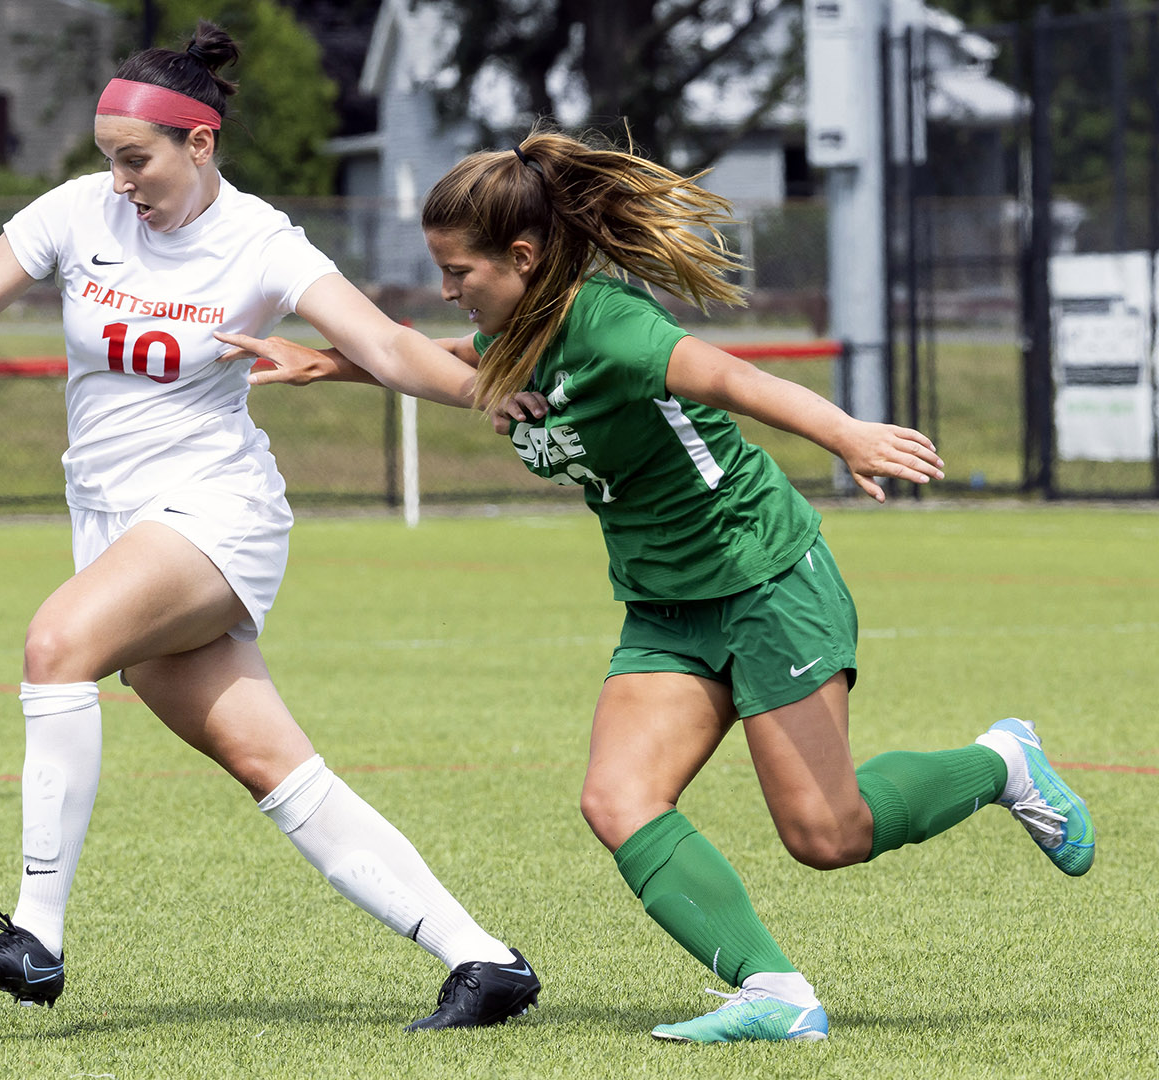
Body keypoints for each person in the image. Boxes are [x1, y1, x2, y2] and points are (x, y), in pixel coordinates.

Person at [220, 133, 1097, 1043]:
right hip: (663, 607)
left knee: (828, 836)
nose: (448, 289)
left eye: (458, 269)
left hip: (762, 579)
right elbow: (454, 357)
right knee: (618, 800)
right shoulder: (508, 331)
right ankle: (776, 995)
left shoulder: (612, 325)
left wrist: (844, 433)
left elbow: (731, 376)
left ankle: (1002, 763)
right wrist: (333, 362)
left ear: (522, 258)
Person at [0, 23, 539, 1030]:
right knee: (278, 769)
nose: (119, 180)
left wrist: (490, 387)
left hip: (216, 515)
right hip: (116, 529)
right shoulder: (78, 211)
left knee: (55, 643)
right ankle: (480, 957)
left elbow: (385, 346)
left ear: (200, 143)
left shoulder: (259, 240)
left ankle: (35, 933)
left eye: (139, 160)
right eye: (109, 159)